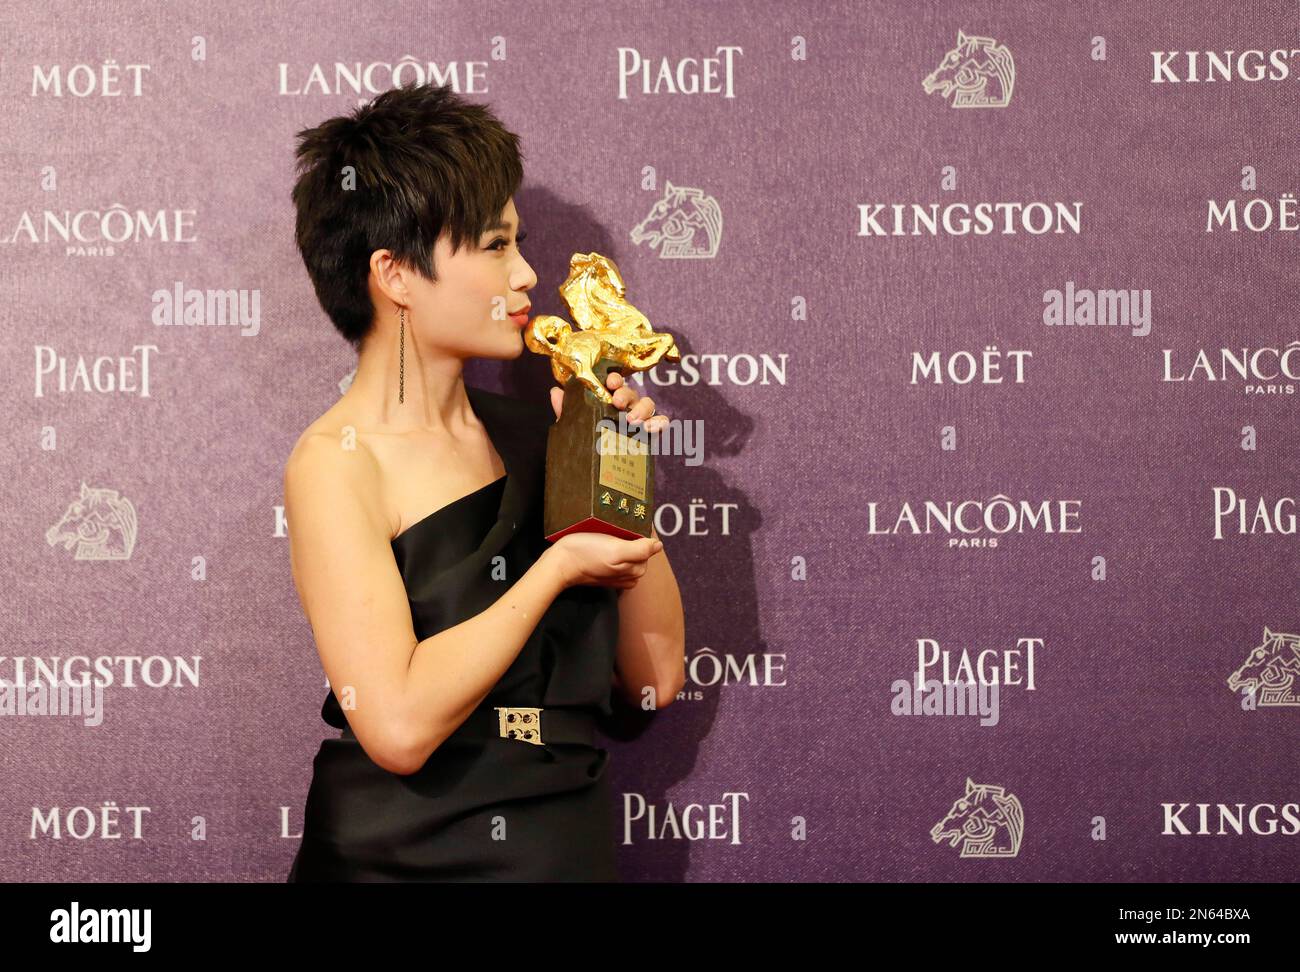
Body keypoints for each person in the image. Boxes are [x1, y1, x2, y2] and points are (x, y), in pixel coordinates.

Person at [282, 82, 686, 881]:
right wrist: (555, 571)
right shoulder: (337, 462)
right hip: (397, 861)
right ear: (394, 273)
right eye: (496, 246)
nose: (528, 272)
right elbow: (396, 728)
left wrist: (612, 466)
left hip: (566, 850)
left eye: (518, 242)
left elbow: (657, 678)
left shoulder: (547, 439)